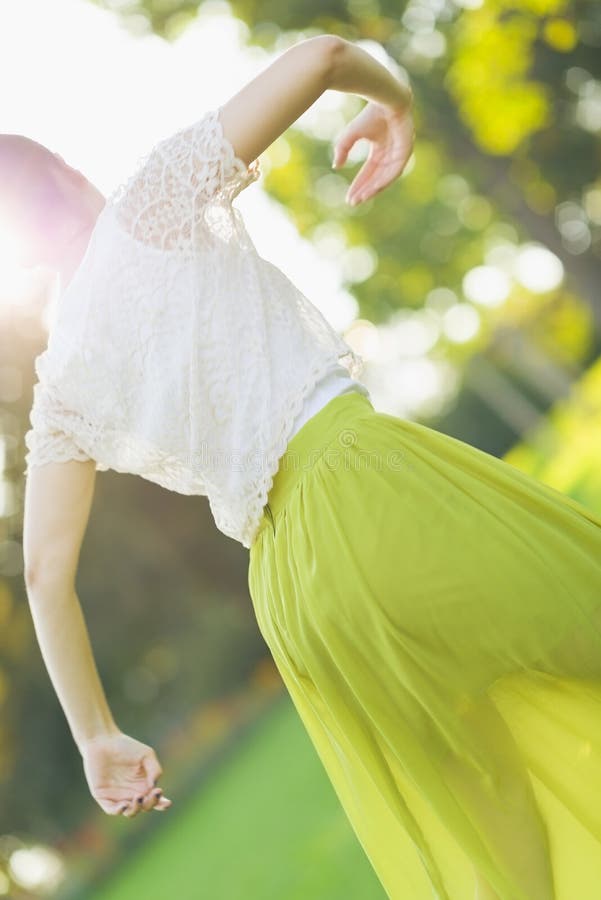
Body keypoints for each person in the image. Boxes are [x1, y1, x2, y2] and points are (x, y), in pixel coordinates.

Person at [6, 33, 601, 900]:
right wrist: (393, 101)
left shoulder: (63, 387)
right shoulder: (152, 202)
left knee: (488, 833)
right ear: (67, 177)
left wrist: (96, 733)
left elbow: (43, 572)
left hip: (294, 595)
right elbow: (323, 55)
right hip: (366, 486)